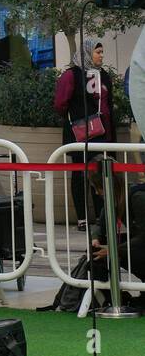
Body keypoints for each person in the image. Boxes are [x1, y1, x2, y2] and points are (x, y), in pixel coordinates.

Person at [55, 39, 117, 229]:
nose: (101, 55)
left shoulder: (103, 75)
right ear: (87, 53)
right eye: (98, 52)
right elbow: (60, 104)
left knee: (100, 174)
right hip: (79, 134)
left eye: (102, 52)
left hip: (103, 134)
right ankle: (82, 218)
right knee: (80, 174)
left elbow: (109, 102)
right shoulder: (71, 75)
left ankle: (101, 219)